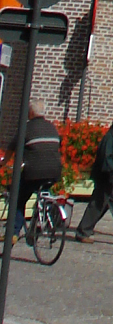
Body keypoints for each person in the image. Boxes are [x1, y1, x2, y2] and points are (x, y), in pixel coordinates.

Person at [74, 112, 113, 244]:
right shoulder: (109, 138)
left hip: (111, 180)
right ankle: (82, 232)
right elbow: (107, 157)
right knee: (97, 205)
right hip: (105, 178)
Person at [8, 101, 61, 239]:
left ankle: (14, 232)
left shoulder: (26, 128)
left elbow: (12, 147)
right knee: (44, 191)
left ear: (31, 113)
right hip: (54, 172)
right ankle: (45, 216)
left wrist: (3, 163)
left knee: (19, 199)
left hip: (33, 173)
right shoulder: (51, 127)